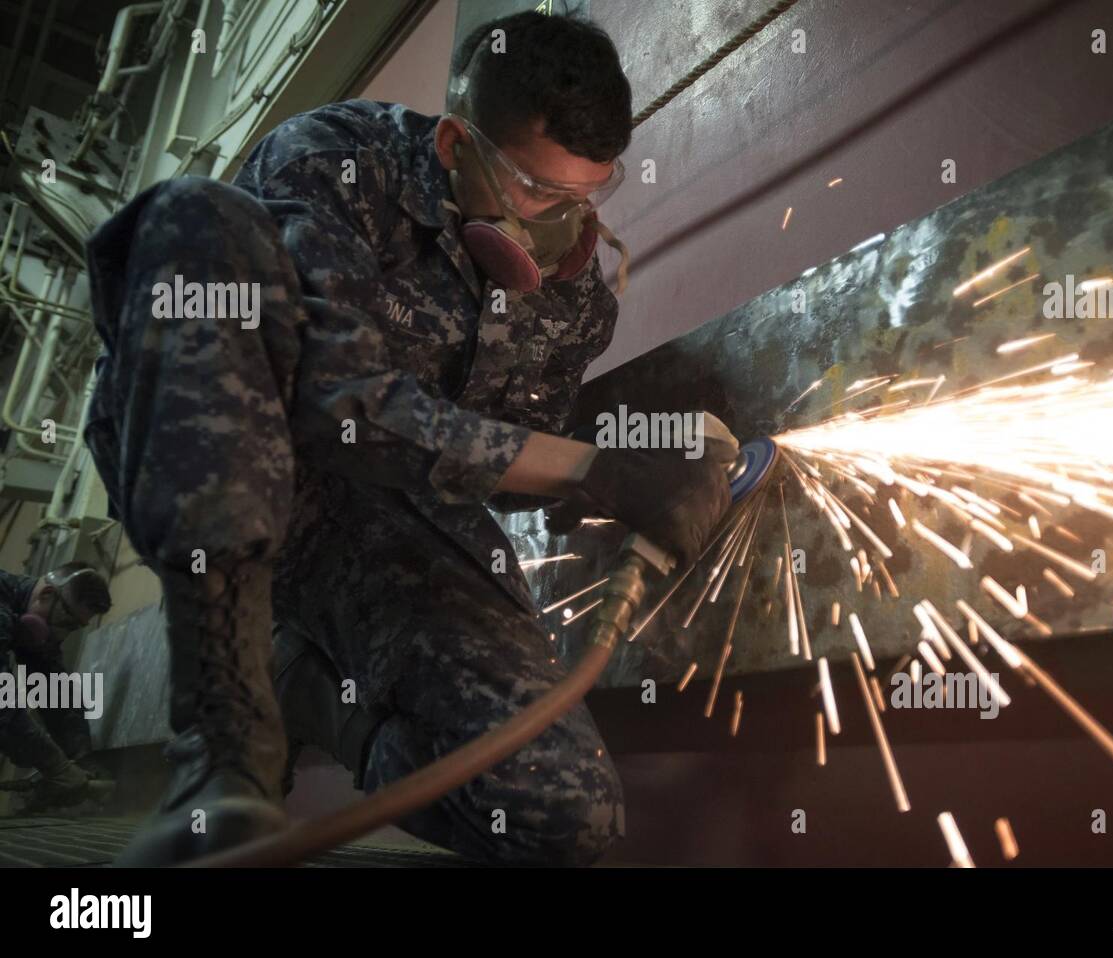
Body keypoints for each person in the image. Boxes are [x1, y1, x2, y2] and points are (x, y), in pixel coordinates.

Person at [82, 11, 732, 866]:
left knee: (560, 809)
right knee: (199, 219)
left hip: (389, 522)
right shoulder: (334, 162)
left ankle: (315, 696)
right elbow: (339, 404)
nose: (559, 221)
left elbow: (505, 452)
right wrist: (588, 471)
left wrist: (634, 474)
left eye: (587, 195)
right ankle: (226, 740)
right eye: (535, 191)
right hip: (236, 459)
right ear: (458, 145)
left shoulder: (577, 303)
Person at [0, 562, 112, 808]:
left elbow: (55, 691)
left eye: (76, 629)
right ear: (47, 595)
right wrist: (56, 765)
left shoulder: (29, 618)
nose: (62, 636)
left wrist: (82, 759)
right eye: (67, 624)